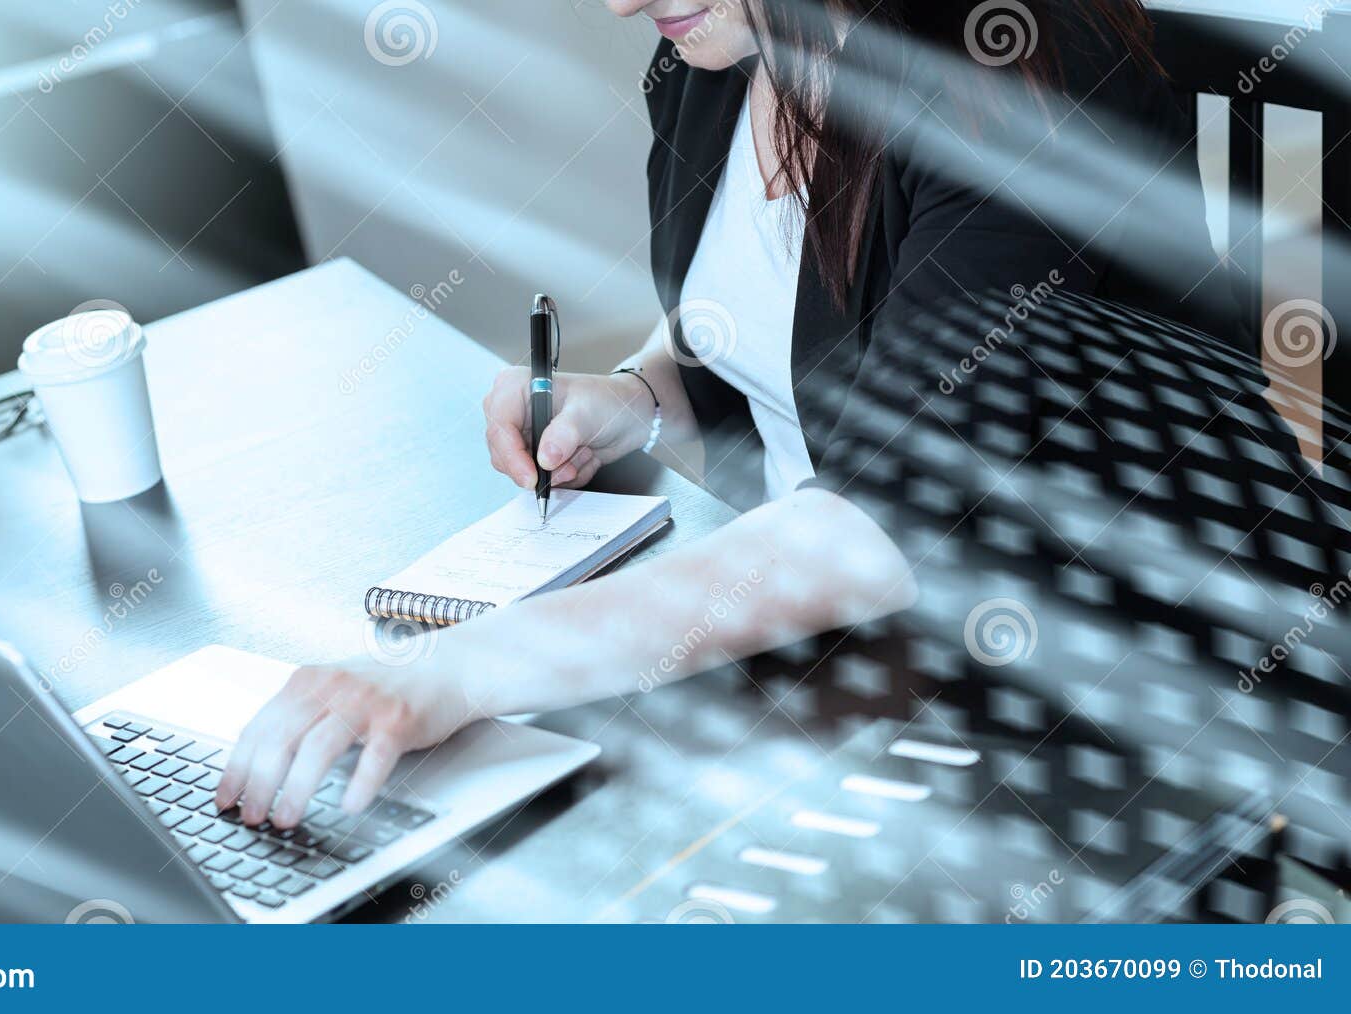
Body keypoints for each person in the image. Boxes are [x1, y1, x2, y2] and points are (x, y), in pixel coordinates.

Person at [217, 0, 1232, 828]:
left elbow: (891, 518)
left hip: (1086, 691)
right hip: (848, 651)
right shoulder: (717, 58)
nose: (621, 5)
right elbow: (747, 331)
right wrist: (636, 396)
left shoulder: (1017, 77)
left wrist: (455, 671)